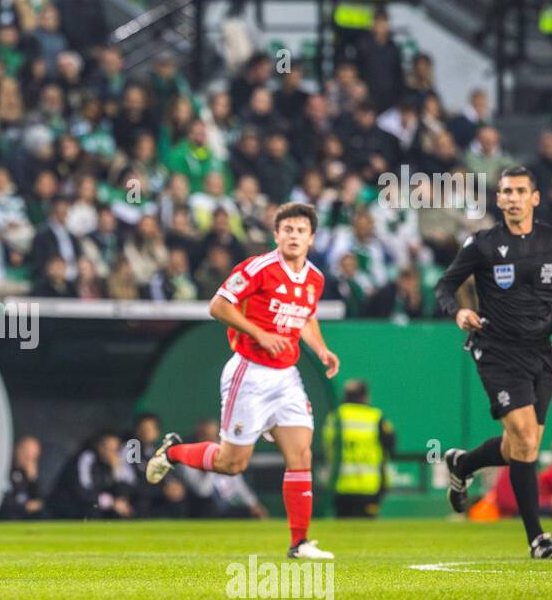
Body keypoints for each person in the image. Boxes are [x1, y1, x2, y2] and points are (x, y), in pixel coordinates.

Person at [145, 203, 341, 560]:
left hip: (287, 379)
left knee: (301, 455)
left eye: (300, 230)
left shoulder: (315, 278)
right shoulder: (258, 268)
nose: (293, 236)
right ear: (276, 235)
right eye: (287, 230)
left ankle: (299, 543)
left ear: (311, 238)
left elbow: (306, 318)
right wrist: (259, 334)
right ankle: (172, 451)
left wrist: (322, 349)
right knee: (231, 463)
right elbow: (218, 305)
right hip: (249, 373)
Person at [436, 166, 552, 559]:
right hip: (497, 350)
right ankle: (537, 539)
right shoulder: (482, 244)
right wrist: (457, 312)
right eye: (507, 192)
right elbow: (445, 286)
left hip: (541, 351)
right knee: (524, 440)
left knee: (523, 444)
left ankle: (463, 463)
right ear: (499, 199)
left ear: (535, 198)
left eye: (521, 191)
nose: (514, 198)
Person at [322, 379, 395, 518]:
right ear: (365, 396)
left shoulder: (334, 417)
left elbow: (327, 446)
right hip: (368, 487)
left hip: (339, 486)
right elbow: (391, 446)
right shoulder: (375, 417)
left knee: (342, 530)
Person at [47, 431, 133, 519]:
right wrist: (112, 502)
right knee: (92, 509)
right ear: (99, 446)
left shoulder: (115, 463)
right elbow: (83, 491)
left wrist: (117, 469)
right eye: (107, 448)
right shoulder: (86, 458)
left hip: (99, 504)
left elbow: (125, 486)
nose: (110, 453)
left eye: (114, 450)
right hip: (69, 505)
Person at [0, 434, 45, 520]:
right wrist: (23, 507)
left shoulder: (30, 478)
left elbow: (39, 503)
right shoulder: (5, 470)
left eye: (33, 456)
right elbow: (3, 502)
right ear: (17, 449)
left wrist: (33, 480)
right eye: (26, 452)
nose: (28, 458)